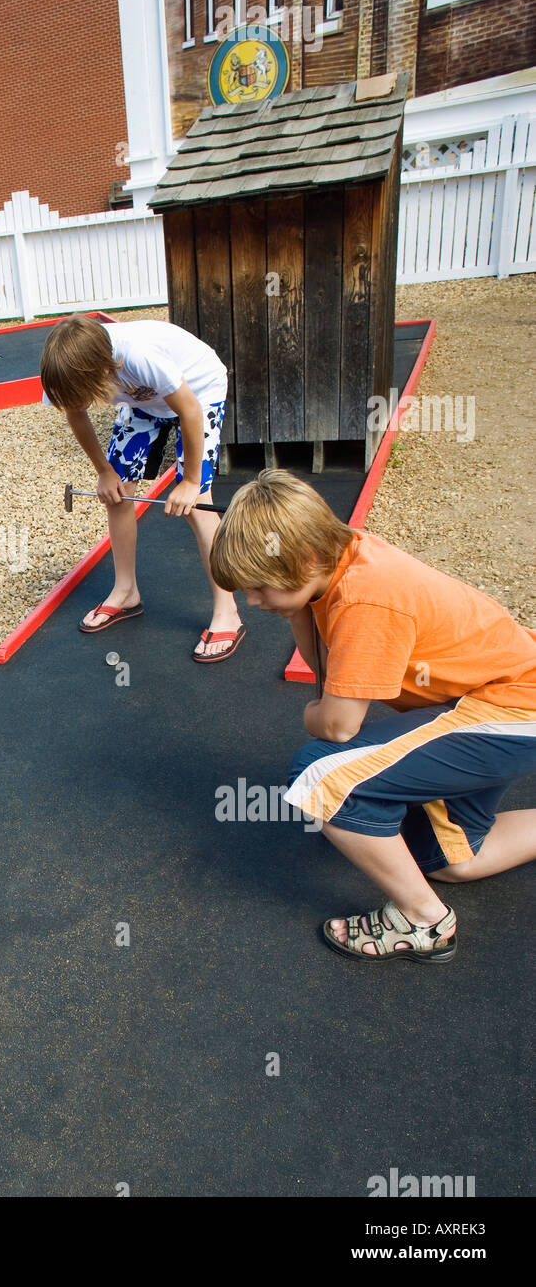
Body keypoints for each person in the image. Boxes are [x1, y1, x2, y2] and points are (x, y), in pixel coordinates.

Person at [209, 469, 536, 961]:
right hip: (487, 704)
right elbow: (327, 667)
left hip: (504, 709)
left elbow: (339, 725)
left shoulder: (366, 597)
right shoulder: (338, 559)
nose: (253, 602)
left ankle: (426, 921)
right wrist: (296, 610)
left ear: (304, 558)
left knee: (320, 777)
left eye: (259, 588)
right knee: (448, 859)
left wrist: (311, 716)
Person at [40, 313, 243, 660]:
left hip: (197, 391)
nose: (80, 400)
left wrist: (191, 482)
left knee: (198, 504)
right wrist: (105, 472)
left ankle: (228, 611)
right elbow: (76, 413)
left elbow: (190, 411)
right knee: (117, 495)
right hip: (142, 402)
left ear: (103, 372)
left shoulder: (140, 357)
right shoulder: (63, 369)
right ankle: (126, 591)